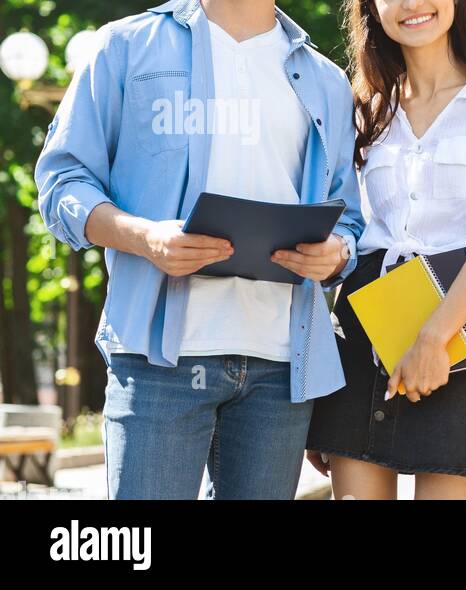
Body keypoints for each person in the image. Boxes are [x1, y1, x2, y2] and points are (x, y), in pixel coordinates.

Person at [35, 0, 364, 499]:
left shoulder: (326, 80)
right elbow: (63, 183)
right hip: (156, 360)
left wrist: (336, 252)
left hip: (280, 366)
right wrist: (144, 237)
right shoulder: (125, 47)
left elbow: (348, 219)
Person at [302, 0, 466, 500]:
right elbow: (351, 226)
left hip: (462, 332)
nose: (412, 4)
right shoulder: (367, 110)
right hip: (365, 327)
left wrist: (434, 337)